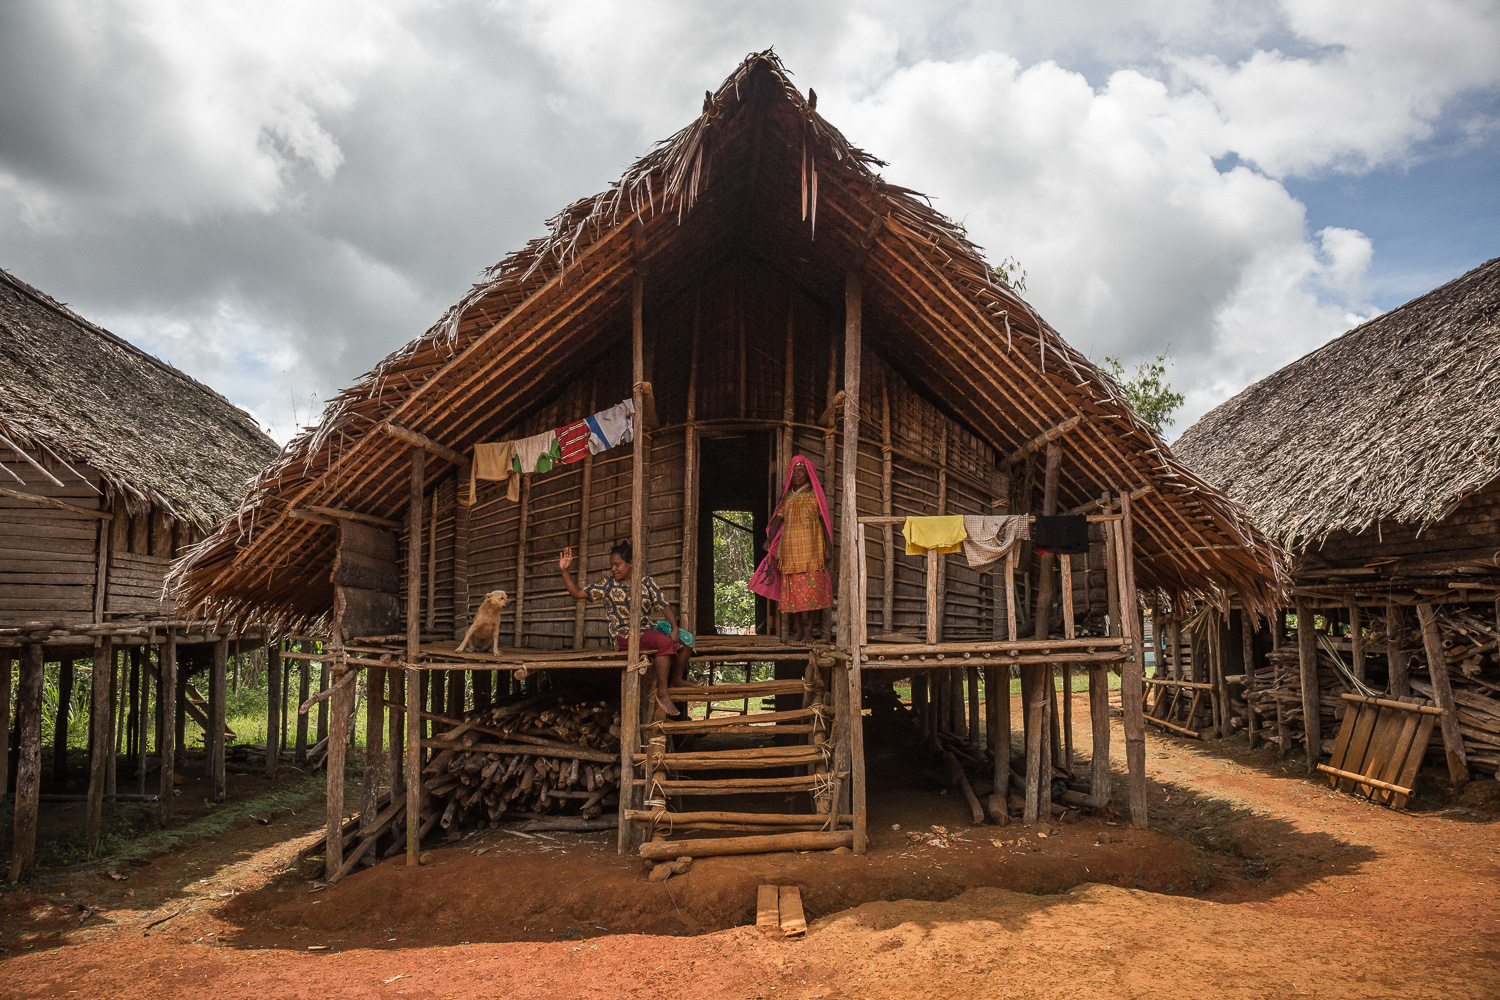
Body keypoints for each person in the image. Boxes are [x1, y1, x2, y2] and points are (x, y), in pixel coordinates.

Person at [559, 540, 694, 717]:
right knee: (663, 642)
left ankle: (676, 679)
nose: (613, 569)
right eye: (611, 566)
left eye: (617, 564)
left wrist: (675, 628)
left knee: (687, 639)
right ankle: (663, 693)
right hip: (624, 636)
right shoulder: (607, 585)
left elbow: (664, 605)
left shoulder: (647, 582)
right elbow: (577, 594)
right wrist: (565, 571)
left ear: (630, 564)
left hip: (647, 630)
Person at [762, 455, 833, 643]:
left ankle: (809, 630)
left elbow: (825, 522)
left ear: (808, 474)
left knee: (813, 593)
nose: (796, 475)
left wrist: (828, 547)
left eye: (800, 472)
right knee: (792, 593)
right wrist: (769, 539)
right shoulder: (788, 497)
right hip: (791, 552)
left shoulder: (815, 496)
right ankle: (799, 631)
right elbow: (779, 518)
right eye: (794, 472)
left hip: (813, 551)